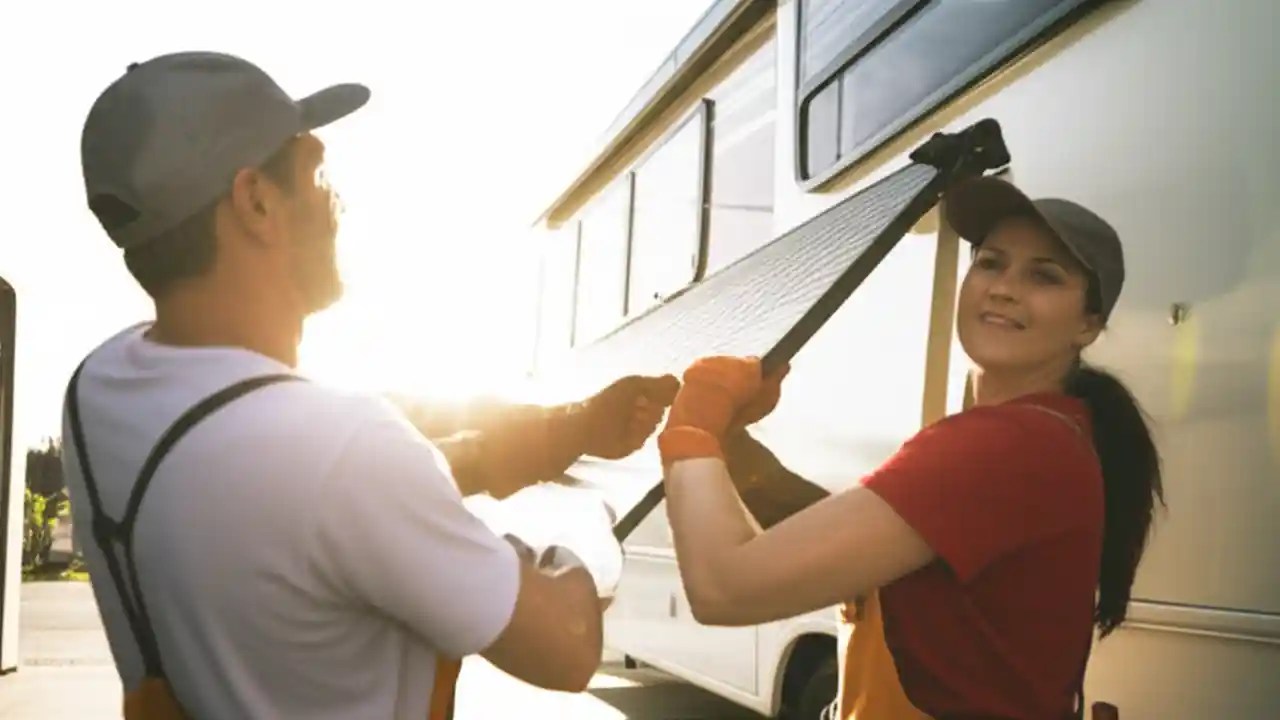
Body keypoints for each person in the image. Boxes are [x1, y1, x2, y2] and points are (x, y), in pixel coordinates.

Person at [62, 51, 678, 720]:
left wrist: (574, 427)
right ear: (256, 201)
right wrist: (586, 524)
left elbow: (320, 481)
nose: (338, 201)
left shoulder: (98, 389)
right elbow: (566, 649)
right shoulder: (342, 452)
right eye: (317, 172)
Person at [654, 177, 1165, 719]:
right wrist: (730, 444)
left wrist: (692, 428)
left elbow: (724, 588)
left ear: (1088, 324)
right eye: (991, 262)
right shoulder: (1051, 436)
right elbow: (845, 536)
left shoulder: (1010, 445)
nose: (1004, 287)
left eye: (1044, 275)